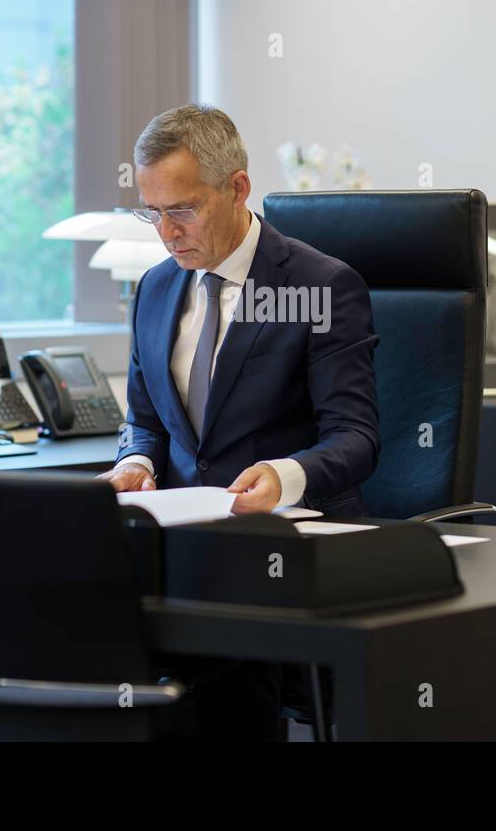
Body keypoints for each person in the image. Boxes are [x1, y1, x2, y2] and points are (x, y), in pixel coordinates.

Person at [100, 103, 381, 739]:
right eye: (152, 212)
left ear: (238, 187)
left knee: (221, 677)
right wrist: (134, 462)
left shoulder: (320, 286)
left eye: (183, 209)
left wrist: (284, 476)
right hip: (180, 548)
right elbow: (144, 420)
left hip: (280, 546)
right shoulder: (154, 289)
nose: (166, 233)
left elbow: (357, 439)